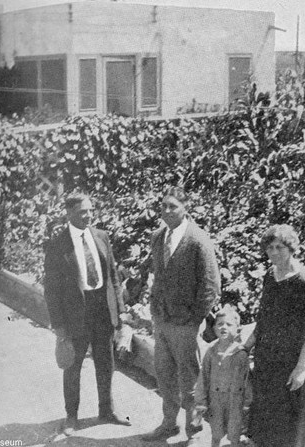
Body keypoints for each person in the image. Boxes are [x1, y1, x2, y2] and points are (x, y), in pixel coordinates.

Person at [44, 193, 131, 436]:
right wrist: (59, 326)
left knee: (106, 363)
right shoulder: (57, 246)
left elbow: (113, 276)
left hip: (103, 310)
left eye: (91, 210)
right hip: (75, 315)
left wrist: (120, 311)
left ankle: (107, 410)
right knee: (72, 365)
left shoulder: (101, 236)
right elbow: (51, 290)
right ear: (69, 213)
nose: (89, 215)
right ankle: (71, 416)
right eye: (83, 212)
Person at [142, 186, 221, 444]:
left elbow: (211, 286)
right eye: (163, 206)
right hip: (162, 320)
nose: (167, 211)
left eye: (173, 206)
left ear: (186, 207)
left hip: (185, 324)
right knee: (164, 375)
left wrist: (194, 318)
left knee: (190, 380)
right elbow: (159, 276)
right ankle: (169, 424)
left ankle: (195, 432)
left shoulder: (197, 239)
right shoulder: (158, 237)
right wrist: (156, 309)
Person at [243, 224, 305, 447]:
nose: (274, 252)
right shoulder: (270, 275)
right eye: (270, 248)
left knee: (288, 421)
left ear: (291, 248)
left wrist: (301, 369)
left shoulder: (303, 281)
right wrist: (247, 346)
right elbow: (263, 317)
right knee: (265, 410)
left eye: (279, 247)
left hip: (291, 360)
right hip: (268, 358)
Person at [194, 304, 252, 447]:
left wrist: (247, 402)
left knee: (234, 432)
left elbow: (247, 379)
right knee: (216, 431)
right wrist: (201, 400)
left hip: (235, 400)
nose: (223, 327)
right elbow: (204, 377)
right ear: (214, 328)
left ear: (237, 329)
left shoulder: (241, 354)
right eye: (219, 324)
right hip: (216, 398)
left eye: (229, 324)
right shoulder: (211, 352)